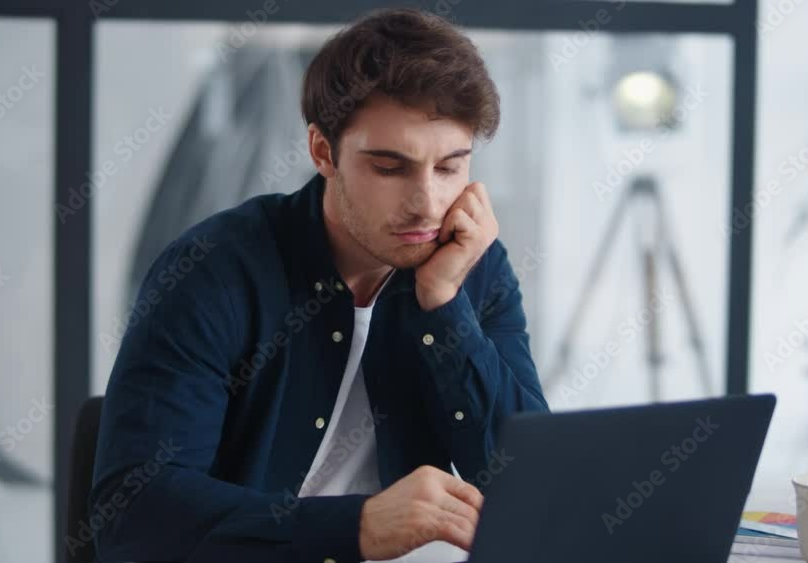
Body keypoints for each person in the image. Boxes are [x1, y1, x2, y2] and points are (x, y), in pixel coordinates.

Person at [90, 7, 549, 563]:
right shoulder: (212, 271)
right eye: (390, 168)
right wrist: (354, 526)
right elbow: (135, 515)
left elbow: (527, 492)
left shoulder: (473, 264)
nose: (427, 204)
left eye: (450, 167)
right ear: (322, 151)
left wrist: (444, 304)